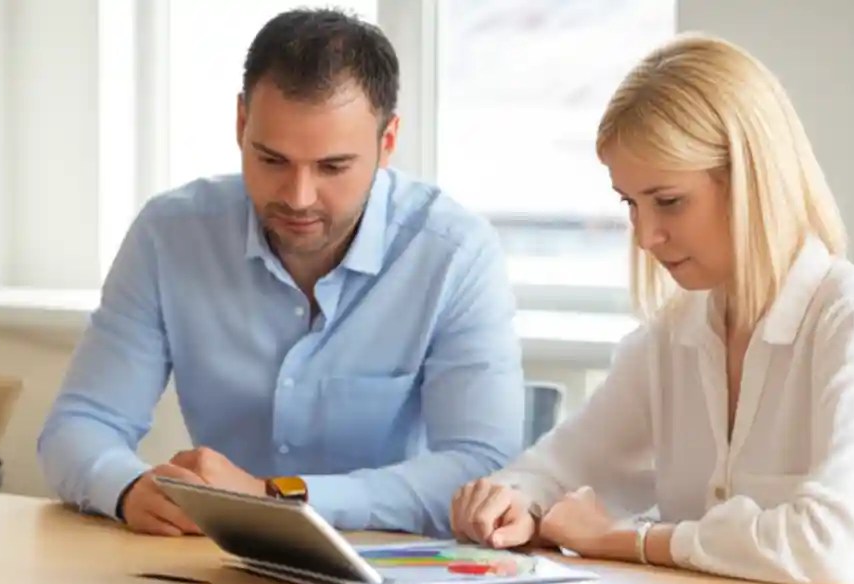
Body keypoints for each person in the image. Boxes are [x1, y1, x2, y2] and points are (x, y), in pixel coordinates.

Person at [450, 34, 854, 584]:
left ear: (752, 180)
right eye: (629, 204)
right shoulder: (670, 338)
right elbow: (562, 468)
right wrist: (512, 500)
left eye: (668, 201)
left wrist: (627, 540)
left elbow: (833, 543)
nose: (646, 236)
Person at [39, 8, 523, 538]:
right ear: (242, 123)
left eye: (333, 167)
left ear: (388, 142)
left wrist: (277, 496)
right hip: (217, 567)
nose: (298, 197)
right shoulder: (170, 235)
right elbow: (79, 426)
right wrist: (128, 488)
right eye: (272, 160)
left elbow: (479, 466)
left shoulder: (453, 253)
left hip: (395, 577)